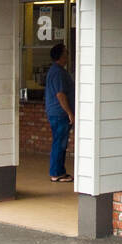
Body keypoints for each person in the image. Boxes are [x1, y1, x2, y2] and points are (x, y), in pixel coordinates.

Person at [45, 43, 74, 182]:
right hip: (59, 114)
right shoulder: (58, 72)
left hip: (57, 113)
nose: (68, 55)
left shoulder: (56, 71)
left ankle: (59, 171)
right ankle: (56, 172)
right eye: (66, 53)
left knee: (60, 142)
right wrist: (69, 112)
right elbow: (60, 95)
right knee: (59, 142)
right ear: (61, 56)